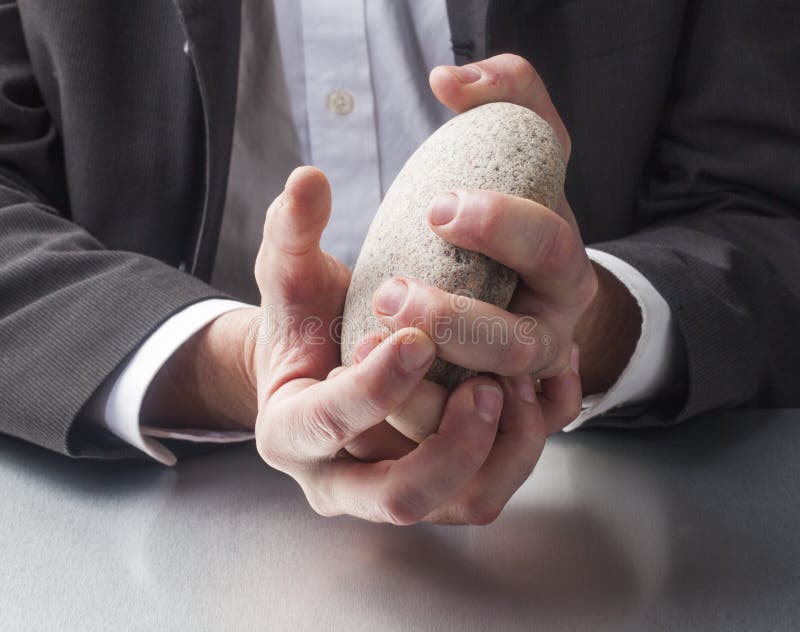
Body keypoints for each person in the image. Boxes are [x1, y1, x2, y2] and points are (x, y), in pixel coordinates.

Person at [1, 1, 797, 524]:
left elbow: (767, 202)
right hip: (147, 520)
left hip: (634, 518)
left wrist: (591, 324)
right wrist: (237, 366)